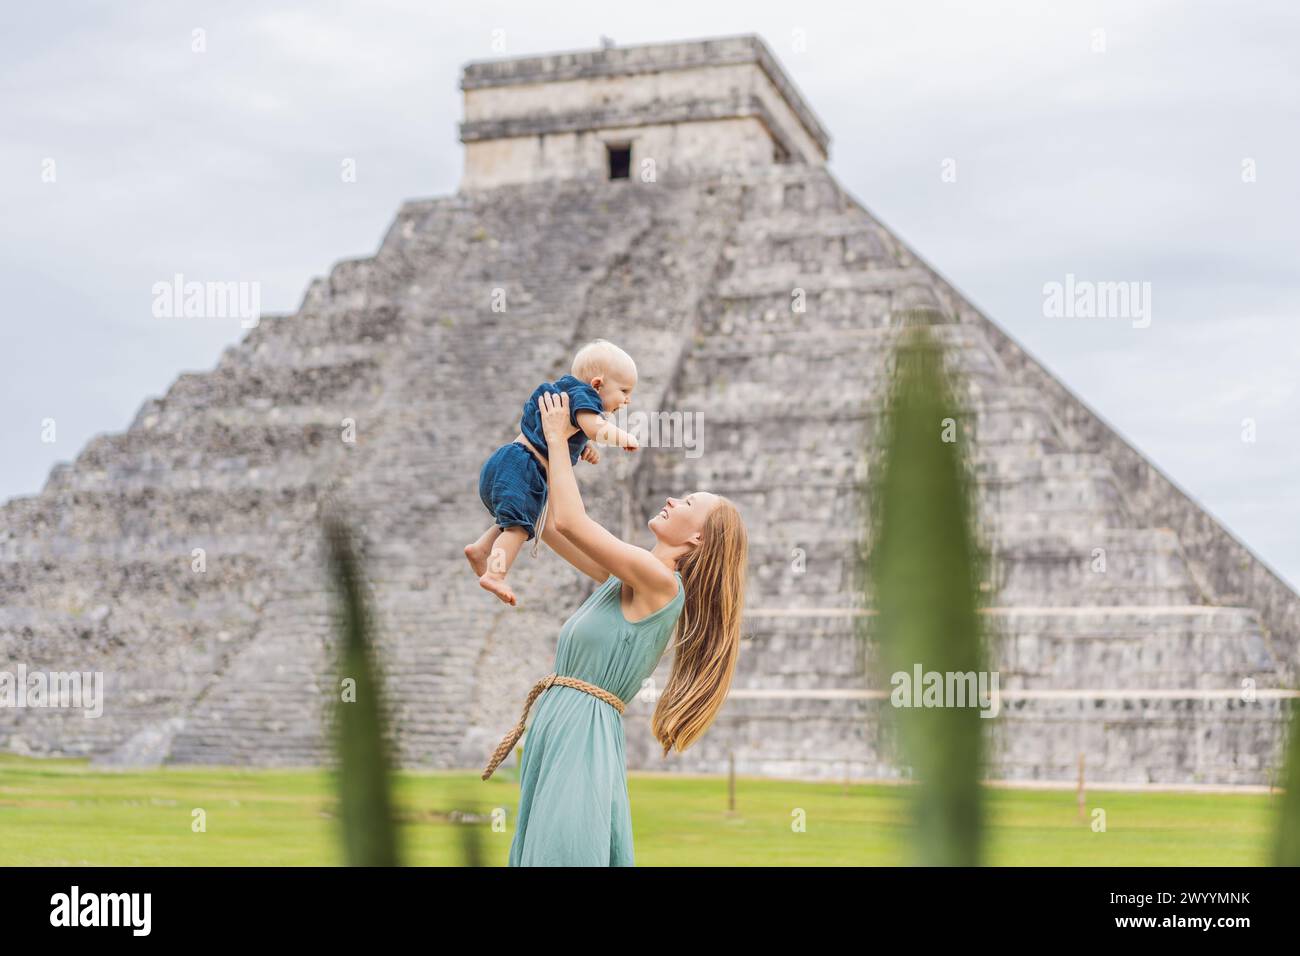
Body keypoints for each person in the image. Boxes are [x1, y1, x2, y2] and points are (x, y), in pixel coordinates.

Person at [482, 389, 749, 866]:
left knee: (564, 851)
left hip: (581, 732)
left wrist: (559, 433)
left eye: (687, 501)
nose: (671, 498)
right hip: (562, 725)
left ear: (696, 538)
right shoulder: (626, 577)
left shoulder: (660, 584)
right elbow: (549, 524)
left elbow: (572, 519)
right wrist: (537, 453)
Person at [465, 339, 641, 606]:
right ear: (597, 384)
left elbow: (571, 433)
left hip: (506, 462)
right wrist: (622, 437)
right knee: (518, 530)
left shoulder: (566, 394)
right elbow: (594, 427)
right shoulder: (586, 398)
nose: (627, 400)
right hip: (525, 468)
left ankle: (481, 549)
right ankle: (495, 573)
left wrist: (585, 449)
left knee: (519, 516)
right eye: (624, 390)